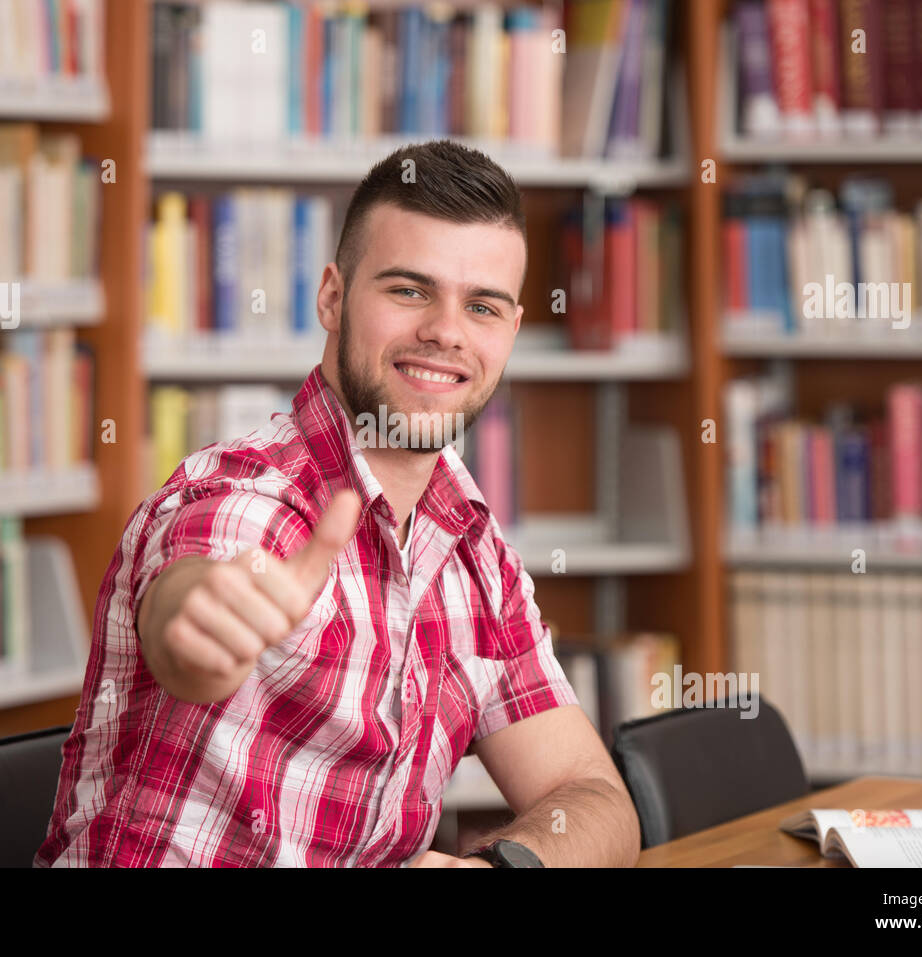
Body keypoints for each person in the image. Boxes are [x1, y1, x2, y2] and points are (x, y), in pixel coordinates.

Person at [35, 139, 640, 867]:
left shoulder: (473, 550)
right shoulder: (245, 501)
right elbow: (192, 600)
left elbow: (595, 795)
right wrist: (196, 624)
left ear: (509, 332)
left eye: (481, 306)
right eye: (409, 290)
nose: (446, 331)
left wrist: (502, 866)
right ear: (332, 296)